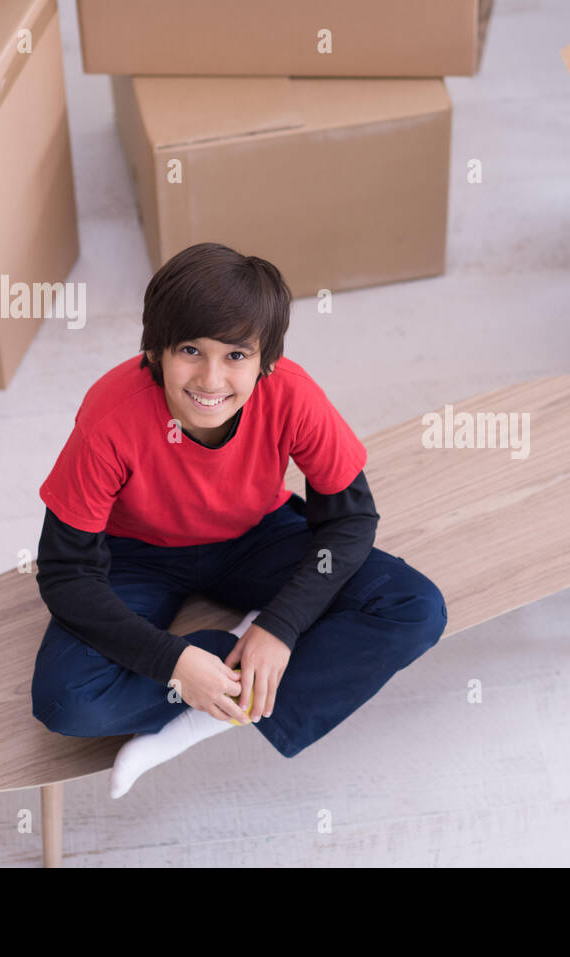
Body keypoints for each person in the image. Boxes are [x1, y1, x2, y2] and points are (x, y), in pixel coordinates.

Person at [29, 242, 447, 798]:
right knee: (66, 701)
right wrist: (176, 661)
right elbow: (64, 572)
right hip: (137, 555)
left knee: (414, 607)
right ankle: (226, 659)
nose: (210, 379)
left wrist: (279, 625)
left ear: (266, 361)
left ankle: (206, 711)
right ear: (154, 351)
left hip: (257, 536)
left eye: (236, 356)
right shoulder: (111, 415)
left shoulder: (293, 394)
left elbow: (350, 519)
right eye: (189, 350)